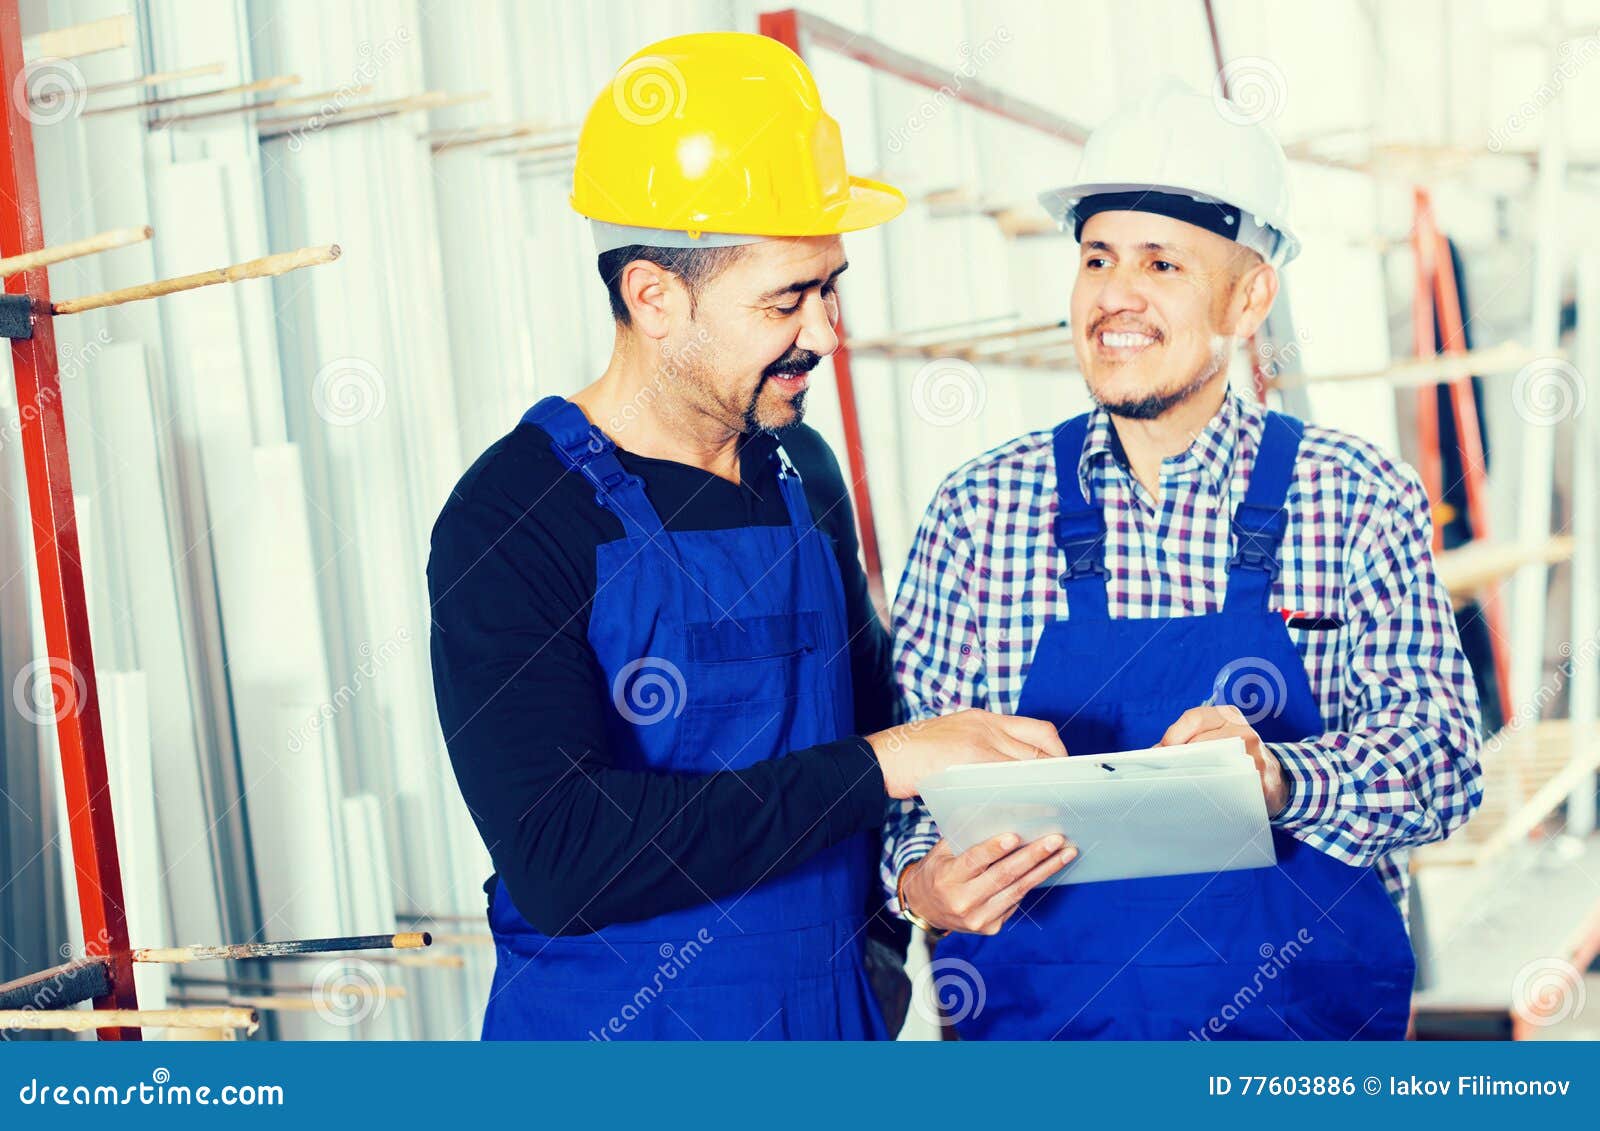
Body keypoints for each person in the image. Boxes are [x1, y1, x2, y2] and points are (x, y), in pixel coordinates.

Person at [428, 31, 1066, 1042]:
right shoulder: (517, 512)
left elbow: (863, 732)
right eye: (786, 299)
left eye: (831, 286)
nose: (824, 334)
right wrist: (886, 763)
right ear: (654, 297)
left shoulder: (799, 472)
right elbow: (561, 855)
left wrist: (904, 895)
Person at [884, 78, 1484, 1040]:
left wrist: (1280, 778)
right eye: (1096, 259)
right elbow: (901, 781)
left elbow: (1446, 761)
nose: (1115, 296)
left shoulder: (1355, 496)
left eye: (1161, 263)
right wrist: (922, 879)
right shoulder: (976, 512)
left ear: (1248, 297)